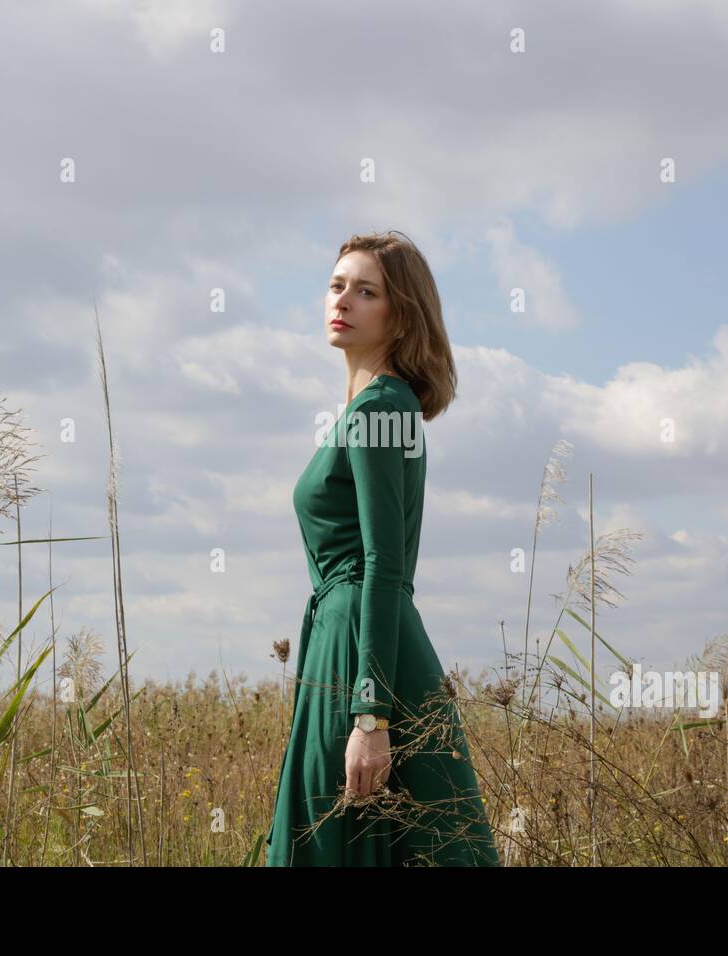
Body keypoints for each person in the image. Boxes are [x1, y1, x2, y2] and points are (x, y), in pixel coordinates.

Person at [264, 230, 500, 866]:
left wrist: (370, 716)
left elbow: (385, 563)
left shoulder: (380, 407)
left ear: (400, 316)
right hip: (351, 638)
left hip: (360, 646)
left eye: (366, 291)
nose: (343, 299)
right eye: (337, 285)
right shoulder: (369, 408)